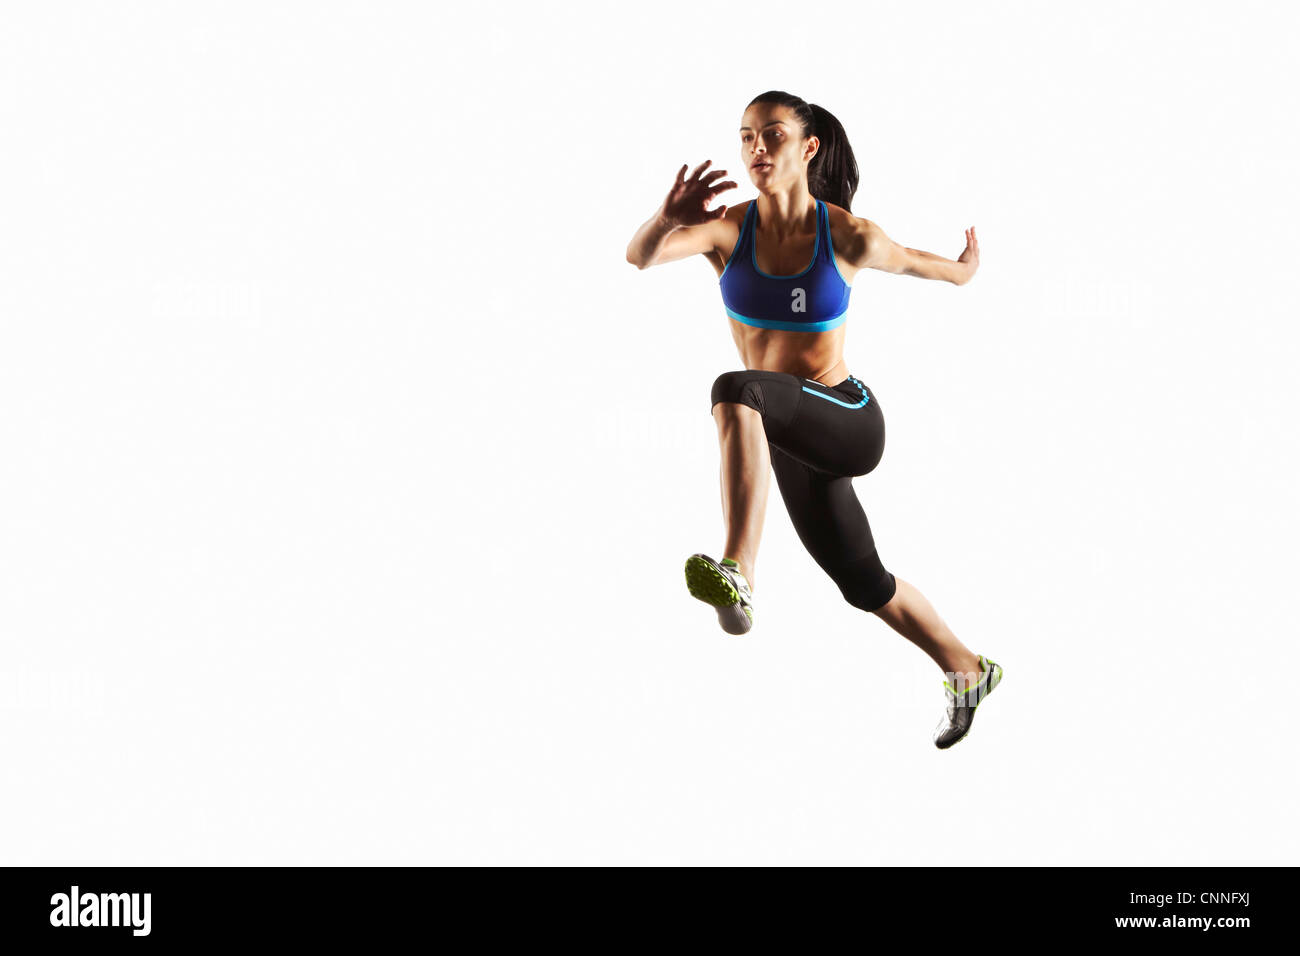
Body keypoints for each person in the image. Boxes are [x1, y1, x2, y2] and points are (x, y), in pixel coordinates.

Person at [625, 91, 1002, 748]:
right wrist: (664, 217)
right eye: (745, 138)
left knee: (736, 387)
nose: (756, 149)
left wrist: (967, 269)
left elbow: (931, 267)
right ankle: (967, 668)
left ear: (808, 147)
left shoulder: (849, 236)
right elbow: (642, 256)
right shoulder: (728, 229)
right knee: (865, 586)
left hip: (849, 420)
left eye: (771, 135)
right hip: (791, 439)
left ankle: (737, 571)